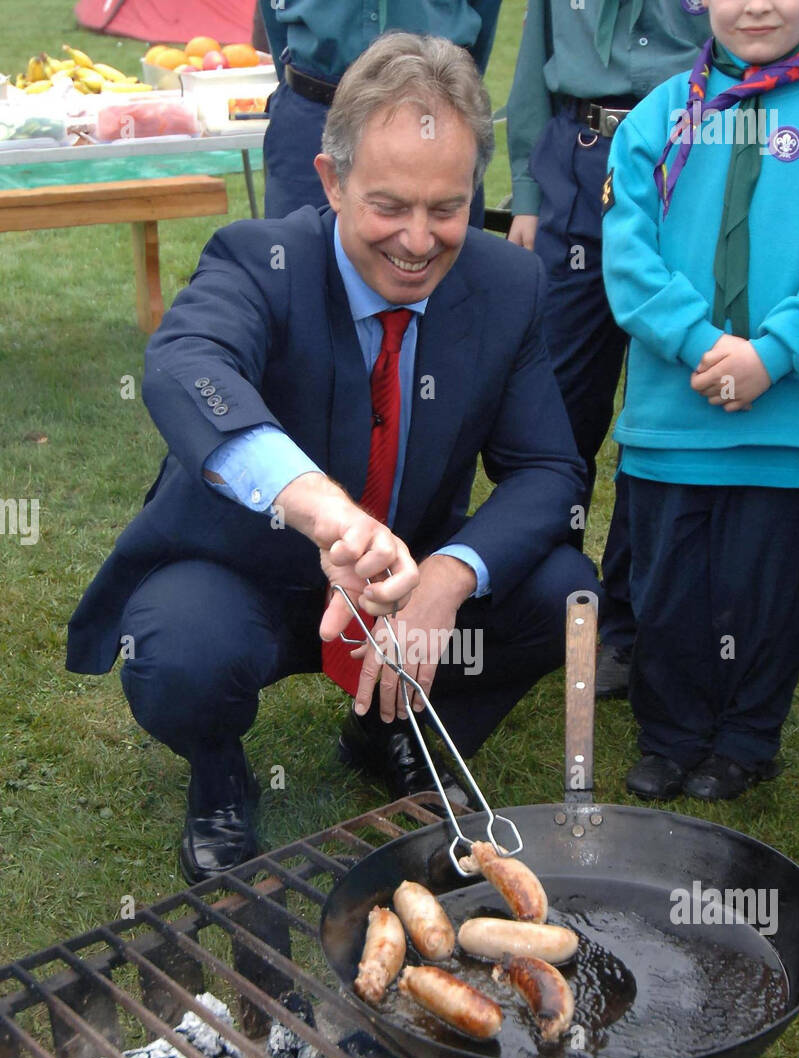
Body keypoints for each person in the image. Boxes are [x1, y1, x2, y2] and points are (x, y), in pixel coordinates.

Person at [66, 34, 598, 883]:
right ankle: (220, 780)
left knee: (566, 590)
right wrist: (328, 514)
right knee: (178, 656)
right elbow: (185, 365)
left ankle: (394, 728)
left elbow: (547, 471)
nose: (419, 241)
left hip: (401, 586)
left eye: (446, 208)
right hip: (246, 571)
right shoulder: (259, 258)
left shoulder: (507, 284)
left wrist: (445, 580)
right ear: (330, 180)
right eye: (388, 206)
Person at [601, 0, 799, 801]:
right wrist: (702, 345)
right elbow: (628, 253)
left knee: (766, 588)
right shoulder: (655, 117)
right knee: (666, 589)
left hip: (784, 420)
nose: (755, 4)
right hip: (670, 416)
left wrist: (771, 356)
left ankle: (746, 738)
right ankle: (670, 733)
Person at [505, 0, 712, 698]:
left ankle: (628, 618)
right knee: (557, 412)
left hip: (690, 165)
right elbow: (534, 63)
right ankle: (549, 602)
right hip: (575, 173)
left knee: (659, 410)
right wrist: (527, 193)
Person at [258, 0, 501, 222]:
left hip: (434, 110)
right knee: (298, 258)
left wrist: (449, 87)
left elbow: (483, 13)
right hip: (311, 111)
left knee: (440, 256)